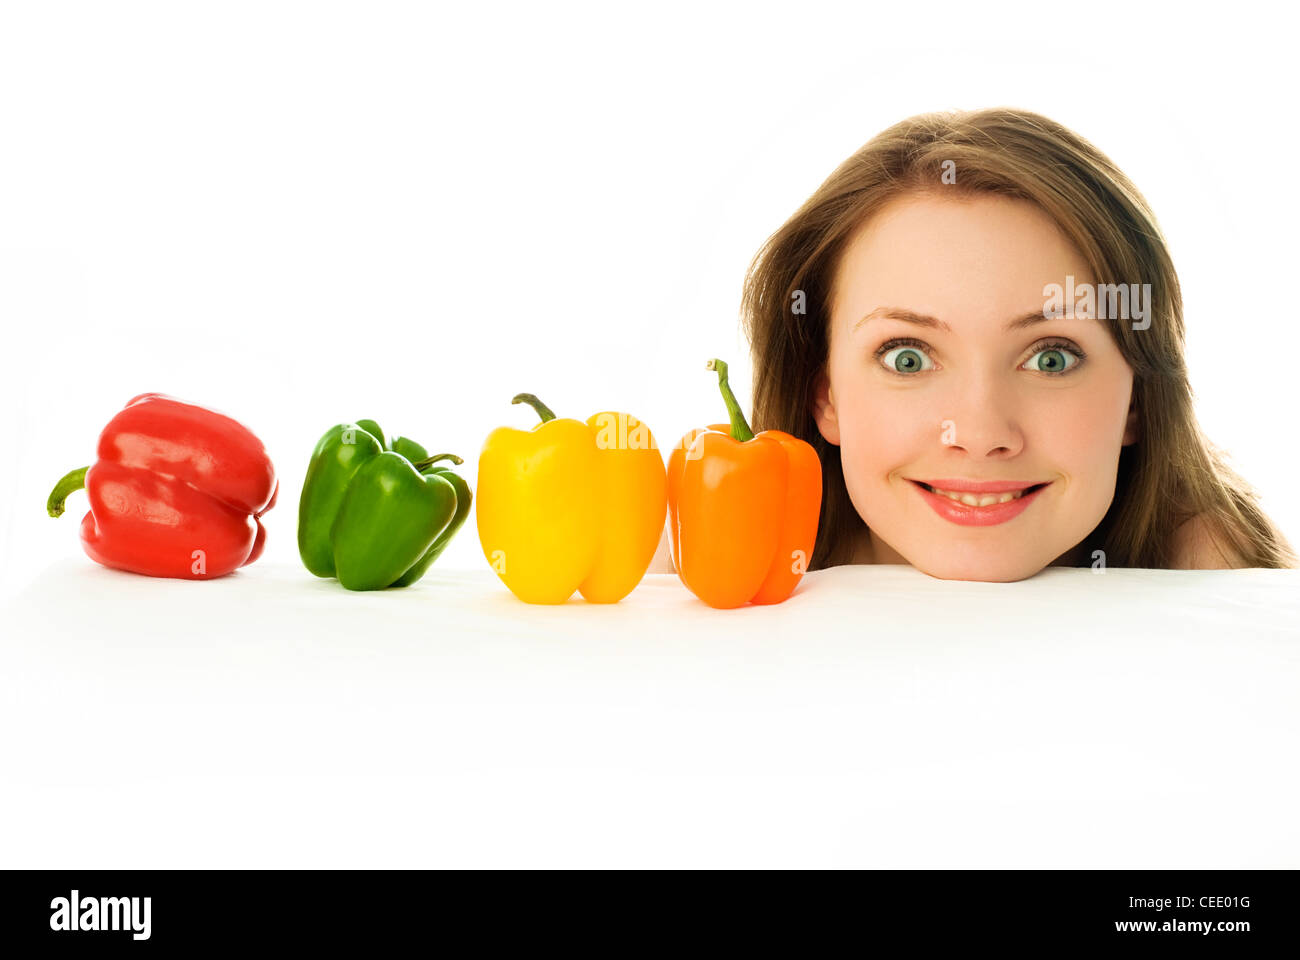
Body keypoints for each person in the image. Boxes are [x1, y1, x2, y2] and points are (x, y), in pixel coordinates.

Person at [651, 108, 1296, 581]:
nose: (980, 432)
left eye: (1051, 358)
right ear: (826, 397)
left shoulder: (1234, 593)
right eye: (908, 357)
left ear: (1137, 400)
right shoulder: (674, 567)